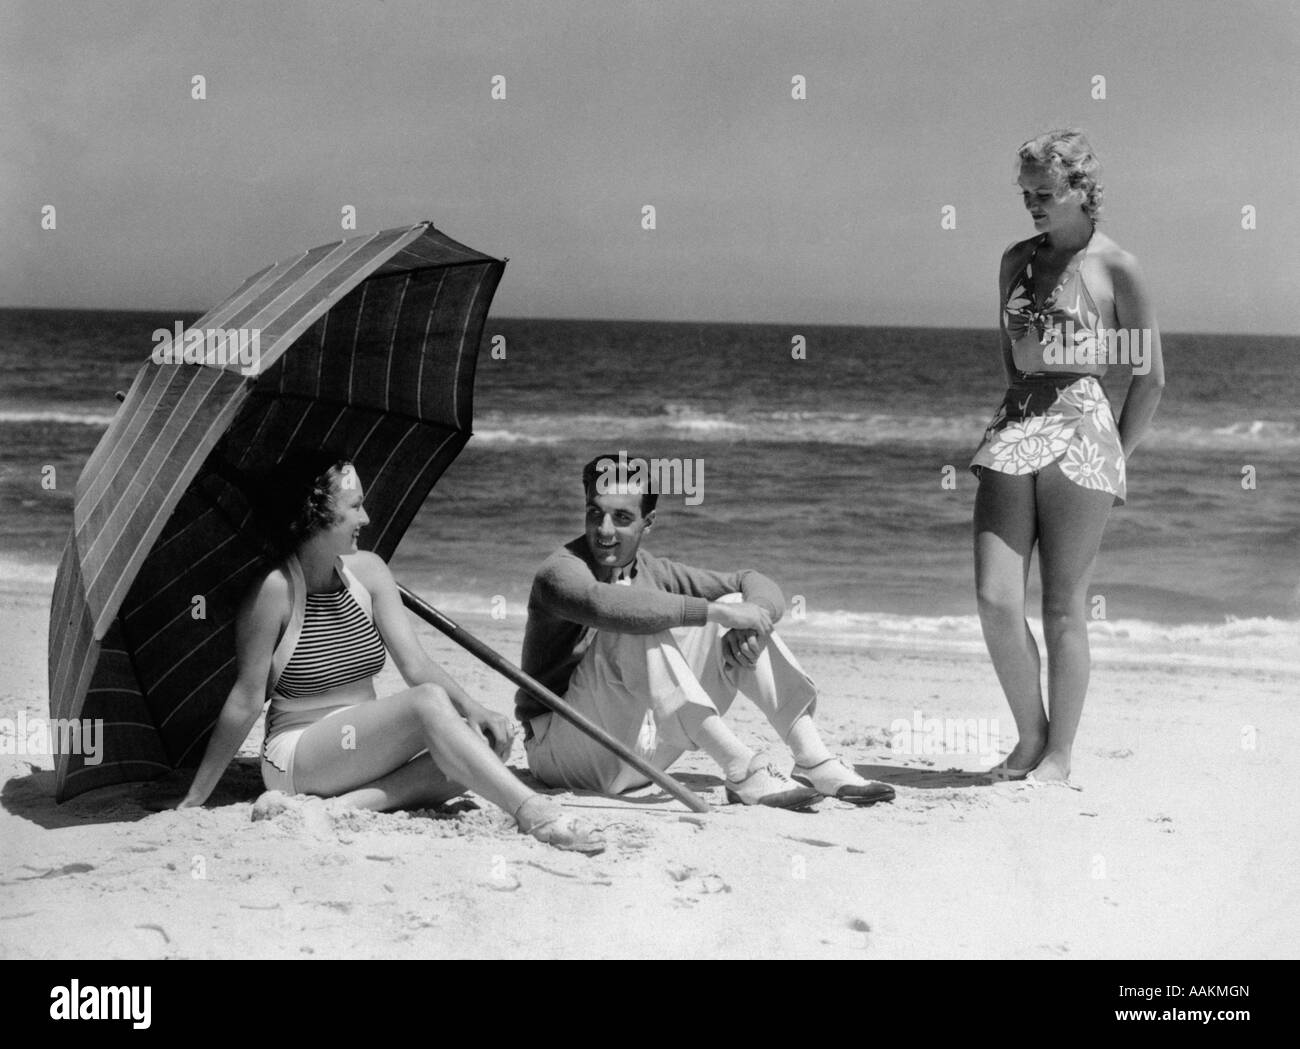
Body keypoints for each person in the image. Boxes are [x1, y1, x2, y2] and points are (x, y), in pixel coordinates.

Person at [178, 449, 605, 854]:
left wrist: (475, 708)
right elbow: (247, 698)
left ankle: (344, 808)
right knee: (430, 707)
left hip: (360, 747)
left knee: (485, 744)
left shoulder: (370, 571)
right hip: (299, 754)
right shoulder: (275, 591)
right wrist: (195, 800)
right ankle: (534, 813)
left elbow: (417, 666)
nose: (366, 517)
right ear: (317, 512)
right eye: (354, 507)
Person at [517, 453, 896, 809]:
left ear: (648, 522)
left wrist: (750, 620)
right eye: (594, 513)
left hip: (638, 752)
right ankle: (742, 770)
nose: (604, 530)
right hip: (560, 752)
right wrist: (714, 613)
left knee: (735, 604)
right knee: (641, 621)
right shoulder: (561, 572)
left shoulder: (653, 570)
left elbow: (752, 581)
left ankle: (813, 759)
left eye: (621, 517)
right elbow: (604, 606)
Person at [971, 129, 1165, 783]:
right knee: (996, 598)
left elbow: (1150, 376)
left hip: (1085, 432)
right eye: (1025, 193)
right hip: (1016, 424)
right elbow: (1013, 357)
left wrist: (1115, 453)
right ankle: (1030, 737)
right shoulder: (1014, 261)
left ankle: (1059, 755)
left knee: (1062, 607)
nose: (1031, 204)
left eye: (1043, 193)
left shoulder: (1118, 268)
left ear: (1081, 191)